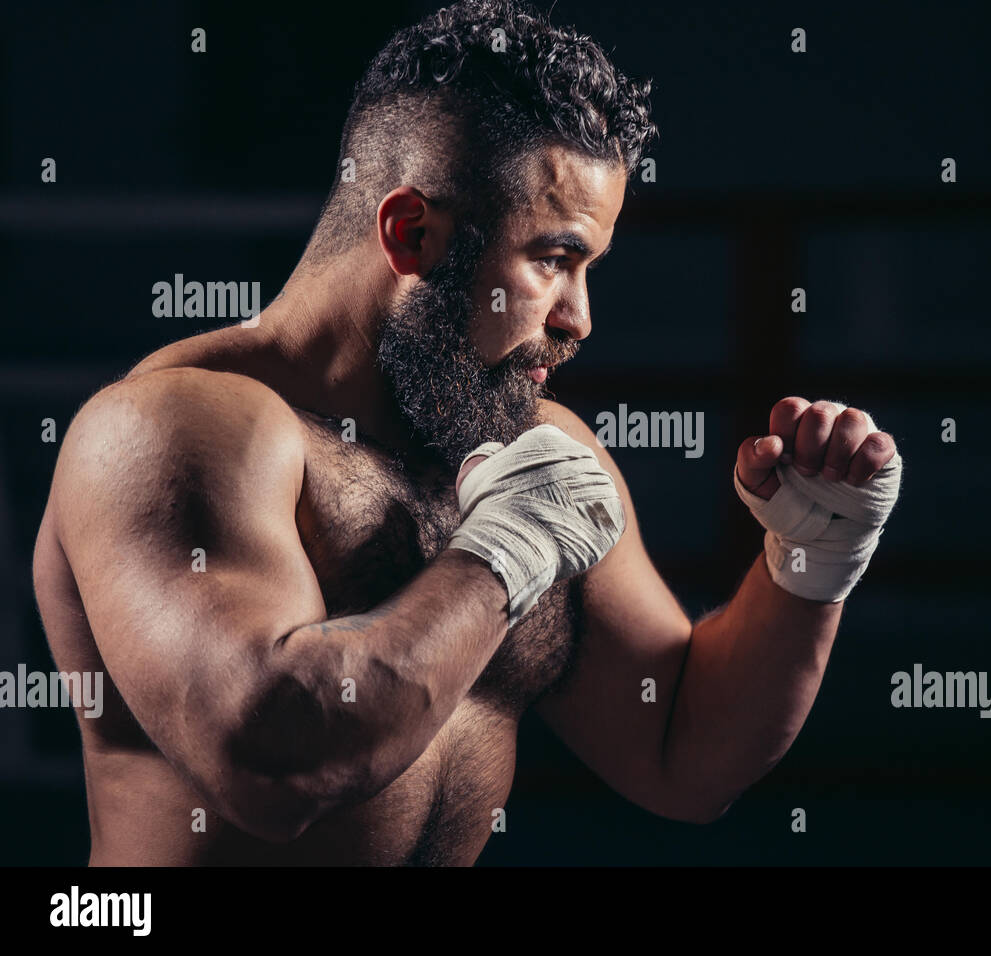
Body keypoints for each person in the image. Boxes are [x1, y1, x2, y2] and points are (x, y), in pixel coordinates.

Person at [32, 0, 901, 865]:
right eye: (553, 260)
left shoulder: (525, 445)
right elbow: (275, 763)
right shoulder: (170, 430)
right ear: (410, 234)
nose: (579, 319)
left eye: (588, 268)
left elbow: (681, 749)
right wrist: (502, 557)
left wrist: (808, 563)